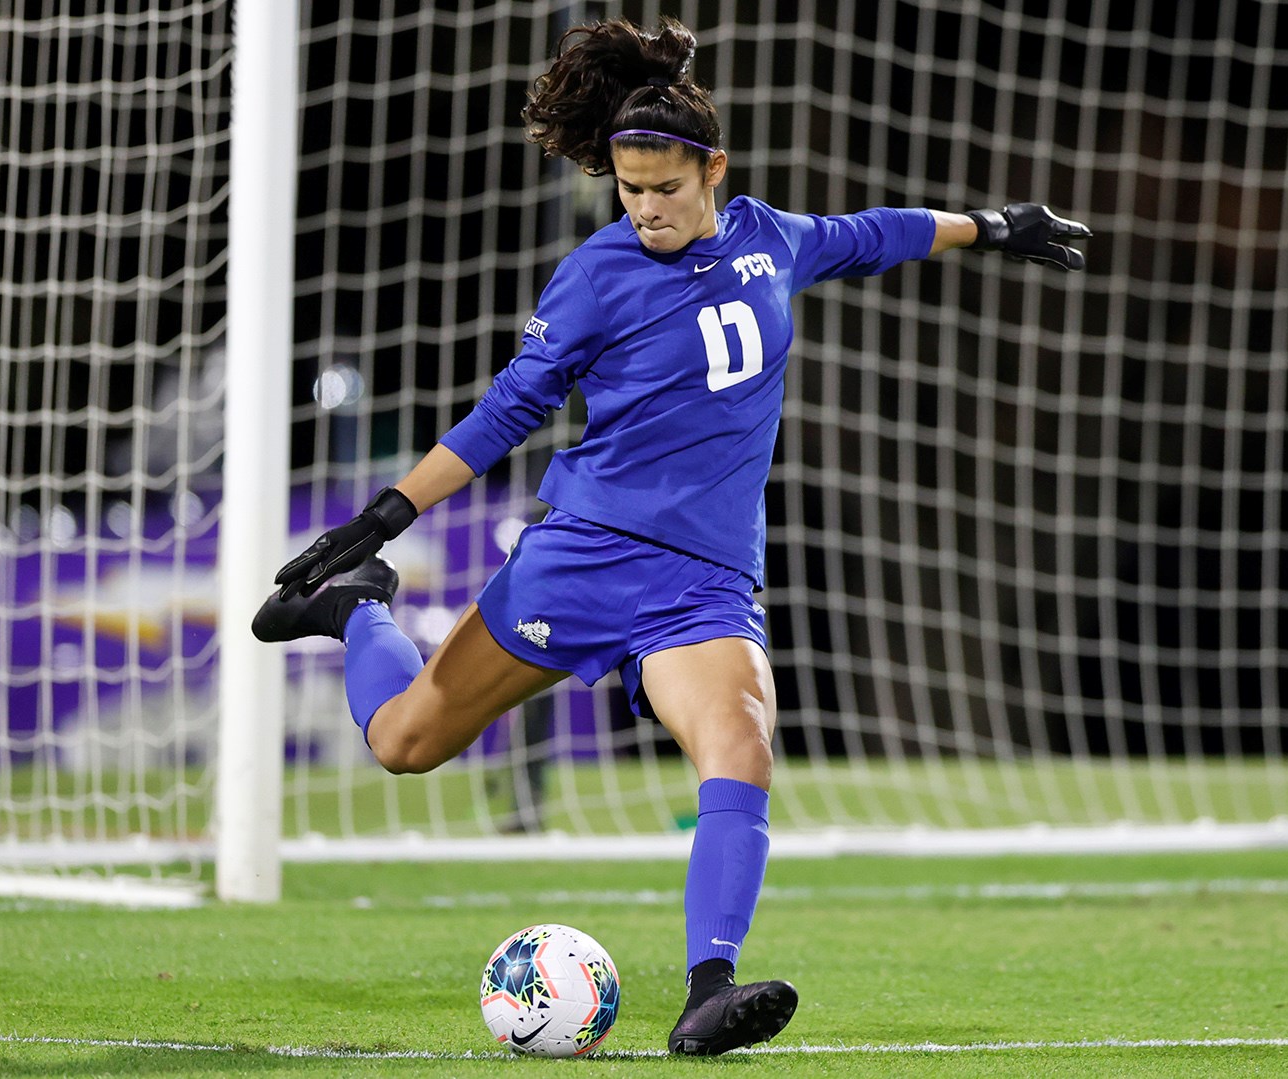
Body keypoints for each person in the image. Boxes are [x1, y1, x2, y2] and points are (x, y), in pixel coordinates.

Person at [253, 16, 1089, 1056]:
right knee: (404, 743)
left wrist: (993, 227)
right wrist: (385, 515)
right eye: (629, 189)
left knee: (740, 744)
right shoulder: (595, 275)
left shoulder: (771, 238)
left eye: (664, 188)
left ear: (713, 172)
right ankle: (359, 609)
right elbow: (508, 409)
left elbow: (879, 233)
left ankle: (708, 993)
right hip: (585, 557)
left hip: (703, 582)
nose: (645, 208)